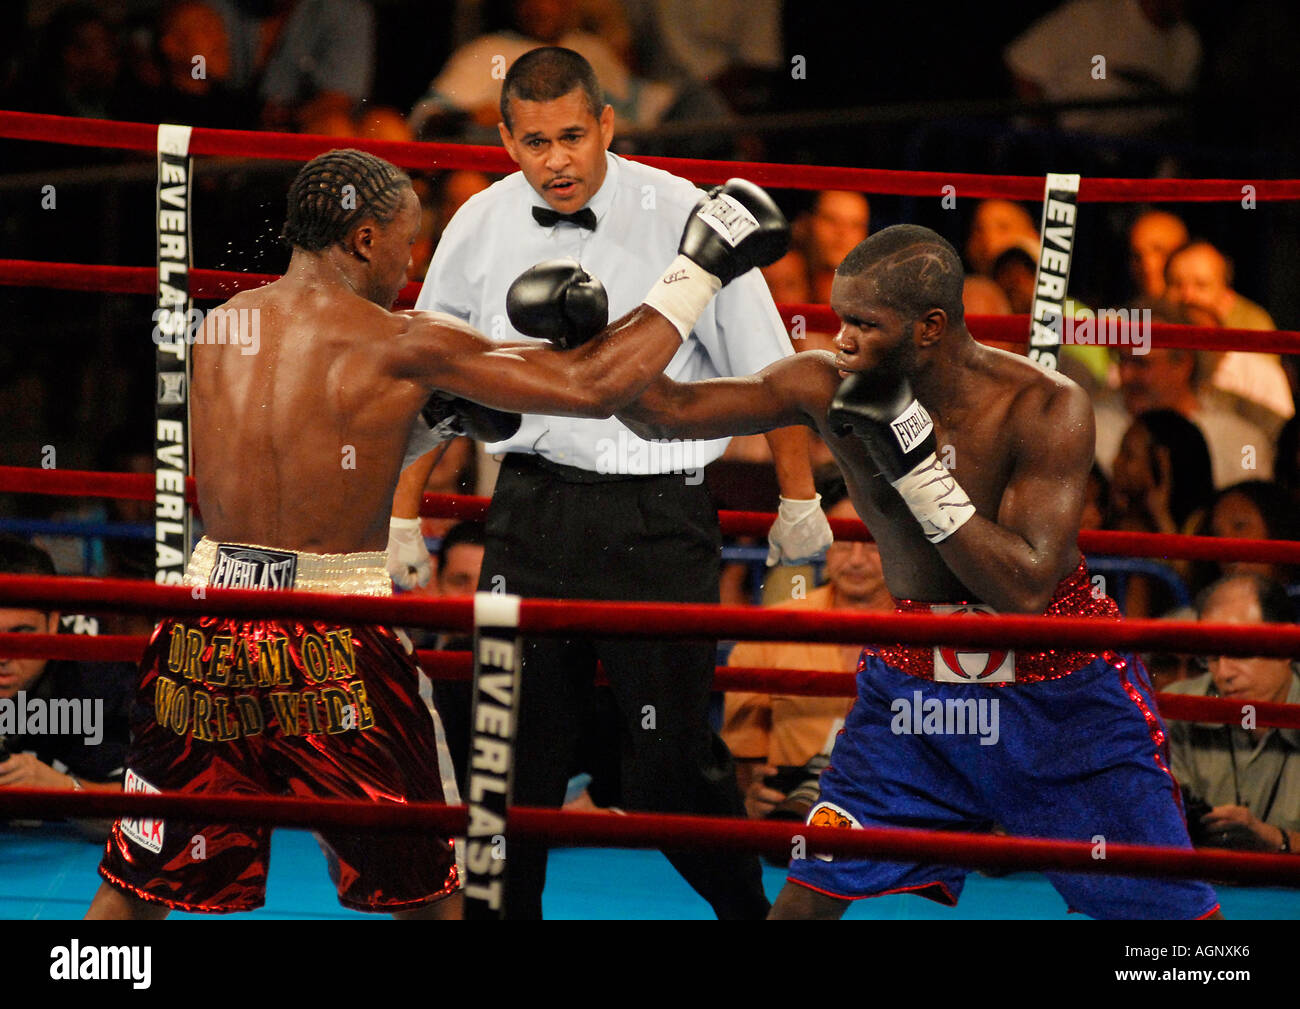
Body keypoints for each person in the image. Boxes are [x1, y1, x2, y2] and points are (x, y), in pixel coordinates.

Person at [86, 144, 788, 920]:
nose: (410, 260)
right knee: (431, 894)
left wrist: (424, 427)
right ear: (363, 239)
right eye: (405, 240)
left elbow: (302, 446)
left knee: (137, 887)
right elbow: (595, 387)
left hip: (205, 621)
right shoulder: (404, 342)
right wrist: (699, 261)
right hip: (332, 639)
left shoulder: (220, 328)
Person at [617, 223, 1221, 919]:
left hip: (1059, 691)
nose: (842, 340)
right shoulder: (825, 382)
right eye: (841, 319)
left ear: (931, 327)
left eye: (865, 325)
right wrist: (652, 300)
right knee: (807, 899)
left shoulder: (1043, 405)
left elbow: (1025, 588)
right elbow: (665, 411)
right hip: (915, 688)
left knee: (1175, 923)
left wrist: (919, 472)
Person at [398, 46, 823, 919]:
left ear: (606, 124)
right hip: (531, 508)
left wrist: (800, 500)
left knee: (668, 771)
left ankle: (751, 914)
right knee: (510, 763)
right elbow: (427, 381)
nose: (556, 160)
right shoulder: (476, 225)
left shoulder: (687, 214)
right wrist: (404, 513)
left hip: (659, 516)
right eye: (534, 142)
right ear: (507, 140)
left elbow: (773, 374)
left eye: (571, 136)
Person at [723, 480, 892, 819]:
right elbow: (745, 764)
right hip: (795, 819)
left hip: (896, 813)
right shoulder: (771, 630)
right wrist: (753, 798)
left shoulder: (932, 632)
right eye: (843, 542)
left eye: (871, 543)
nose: (856, 560)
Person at [0, 535, 130, 832]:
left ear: (53, 623)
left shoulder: (95, 678)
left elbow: (146, 807)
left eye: (21, 635)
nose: (4, 655)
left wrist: (63, 790)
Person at [1166, 574, 1299, 855]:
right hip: (1206, 892)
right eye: (1211, 657)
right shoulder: (1175, 708)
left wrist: (1277, 840)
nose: (1223, 673)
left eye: (1238, 652)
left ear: (1287, 644)